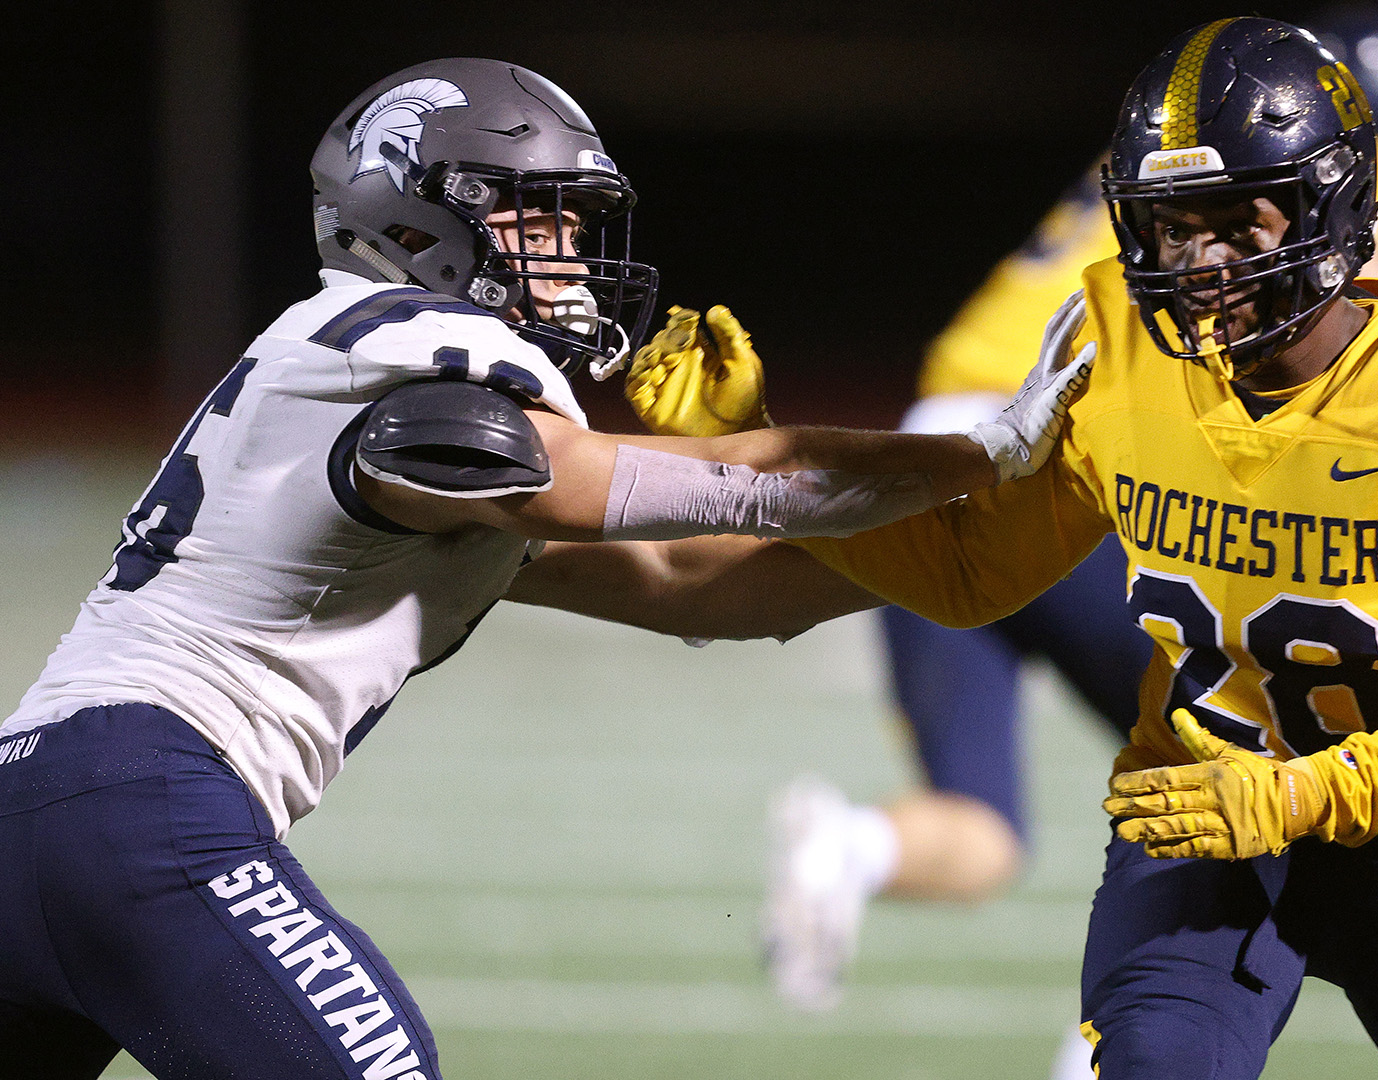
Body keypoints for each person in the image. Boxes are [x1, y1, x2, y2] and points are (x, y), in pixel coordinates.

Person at [0, 57, 1090, 1080]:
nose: (568, 248)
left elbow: (701, 585)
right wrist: (979, 454)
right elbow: (730, 486)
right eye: (535, 210)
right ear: (416, 211)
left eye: (573, 216)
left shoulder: (391, 417)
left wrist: (994, 539)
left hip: (41, 808)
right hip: (143, 807)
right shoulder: (403, 352)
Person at [630, 18, 1378, 1077]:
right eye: (1169, 225)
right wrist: (755, 460)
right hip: (1198, 809)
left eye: (1236, 223)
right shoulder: (1117, 346)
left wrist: (1298, 795)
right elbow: (973, 573)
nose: (1198, 263)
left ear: (1328, 207)